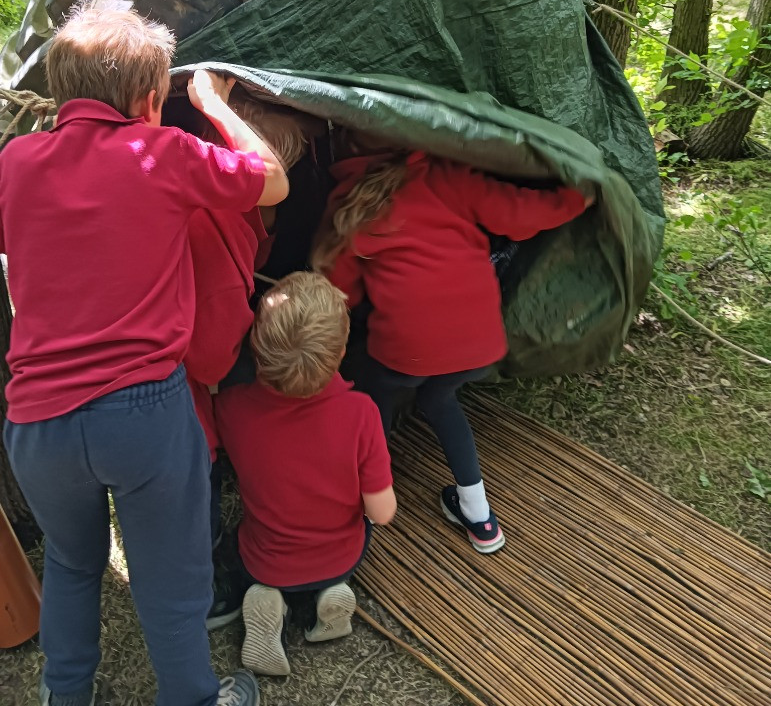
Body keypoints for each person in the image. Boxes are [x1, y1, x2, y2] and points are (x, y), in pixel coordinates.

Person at [0, 0, 289, 706]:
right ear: (148, 97)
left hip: (37, 422)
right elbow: (272, 181)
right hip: (143, 413)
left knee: (71, 563)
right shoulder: (161, 150)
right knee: (170, 572)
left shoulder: (13, 163)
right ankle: (191, 696)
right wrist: (215, 106)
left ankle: (64, 695)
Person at [312, 132, 593, 554]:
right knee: (440, 399)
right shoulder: (447, 177)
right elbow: (520, 213)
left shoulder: (351, 200)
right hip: (477, 346)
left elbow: (342, 291)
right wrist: (579, 195)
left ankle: (363, 501)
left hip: (405, 351)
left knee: (371, 402)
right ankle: (480, 517)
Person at [215, 271, 396, 677]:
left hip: (265, 559)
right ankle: (330, 596)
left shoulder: (232, 408)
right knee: (354, 538)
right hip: (340, 555)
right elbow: (382, 512)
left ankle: (267, 599)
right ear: (340, 351)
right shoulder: (361, 413)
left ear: (256, 350)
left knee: (250, 553)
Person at [184, 97, 310, 629]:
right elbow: (211, 360)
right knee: (199, 477)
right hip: (179, 404)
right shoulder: (215, 233)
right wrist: (247, 336)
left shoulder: (224, 215)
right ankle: (206, 576)